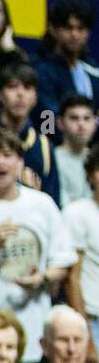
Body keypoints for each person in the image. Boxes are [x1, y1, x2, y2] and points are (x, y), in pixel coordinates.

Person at [0, 128, 75, 361]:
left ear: (20, 163)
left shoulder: (43, 204)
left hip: (35, 331)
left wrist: (42, 278)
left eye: (8, 155)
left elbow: (63, 262)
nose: (1, 162)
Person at [0, 63, 60, 202]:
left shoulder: (44, 146)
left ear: (35, 97)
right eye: (12, 86)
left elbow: (53, 203)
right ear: (0, 95)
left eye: (27, 87)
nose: (20, 94)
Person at [33, 0, 97, 119]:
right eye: (68, 28)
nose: (75, 34)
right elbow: (47, 118)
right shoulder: (41, 71)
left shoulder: (94, 71)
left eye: (80, 28)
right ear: (53, 29)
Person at [64, 146, 99, 341]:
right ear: (90, 175)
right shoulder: (77, 213)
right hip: (93, 319)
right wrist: (85, 333)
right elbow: (71, 278)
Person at [57, 94, 97, 209]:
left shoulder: (96, 160)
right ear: (60, 123)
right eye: (74, 118)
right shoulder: (52, 159)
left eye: (87, 118)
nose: (81, 124)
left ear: (95, 123)